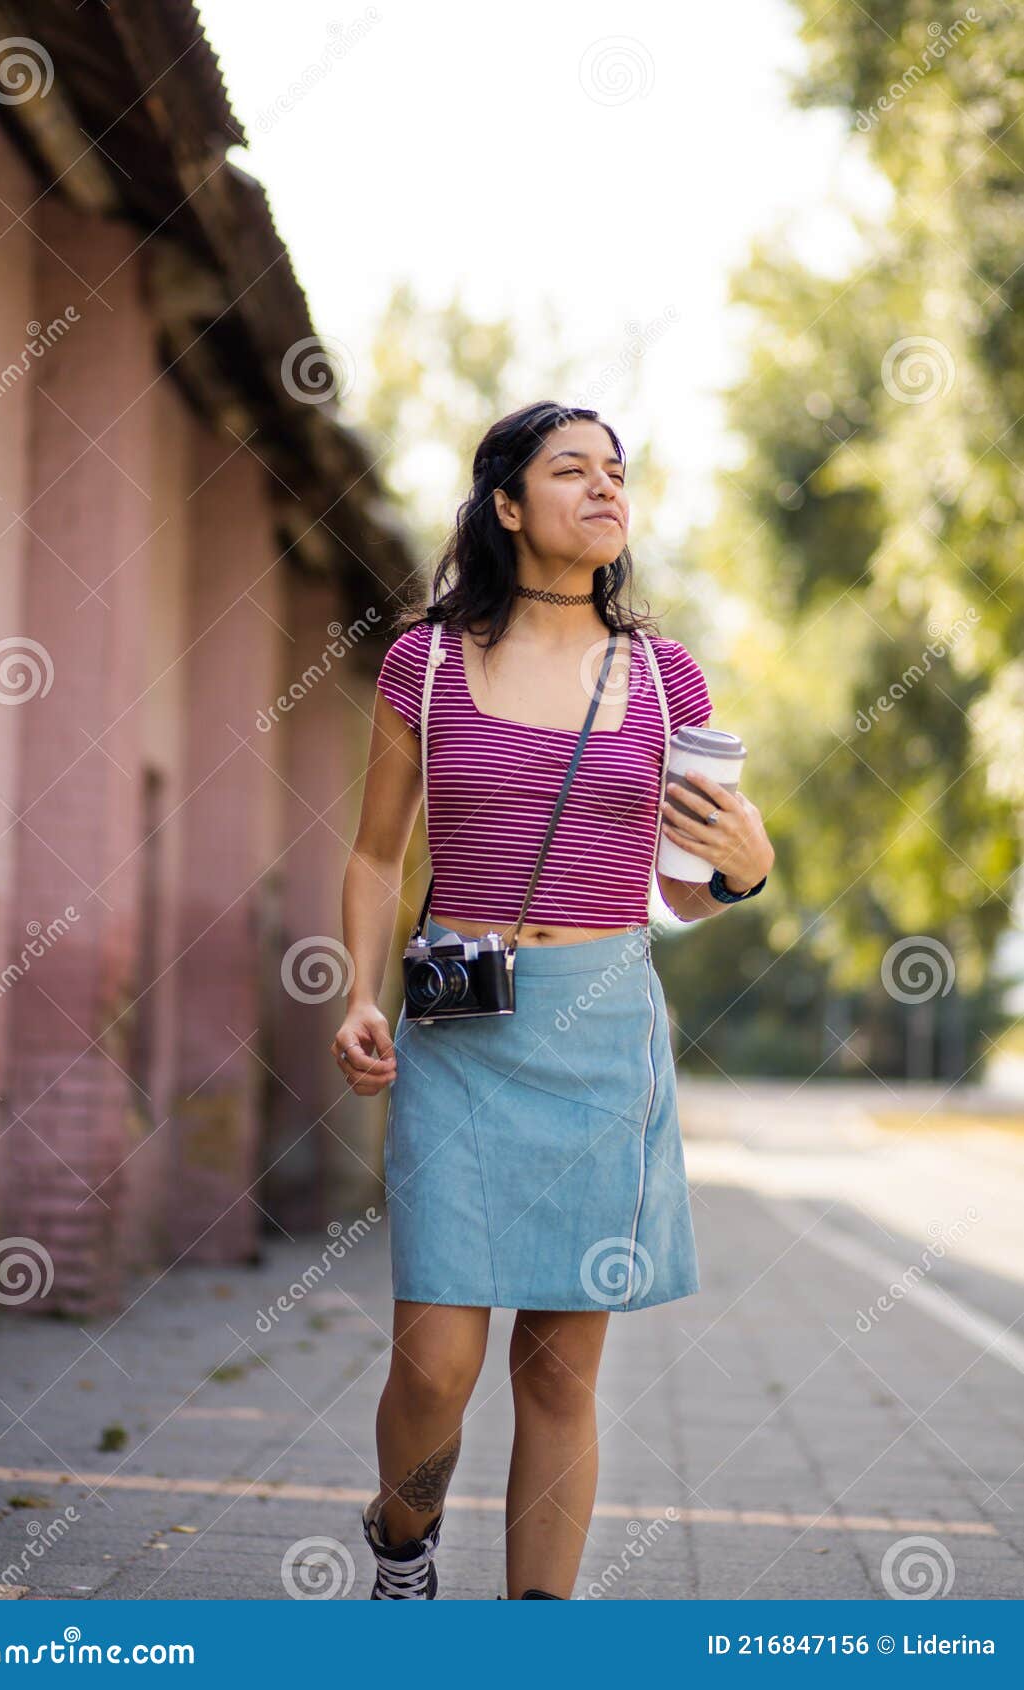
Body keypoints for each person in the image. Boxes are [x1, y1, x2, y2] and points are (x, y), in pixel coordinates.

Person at [332, 400, 774, 1600]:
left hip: (602, 1032)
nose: (604, 486)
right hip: (461, 1030)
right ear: (508, 505)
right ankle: (403, 1544)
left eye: (617, 470)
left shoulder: (665, 675)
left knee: (558, 1373)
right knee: (433, 1363)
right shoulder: (422, 660)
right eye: (570, 468)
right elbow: (378, 853)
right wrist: (359, 993)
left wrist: (747, 860)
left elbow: (689, 891)